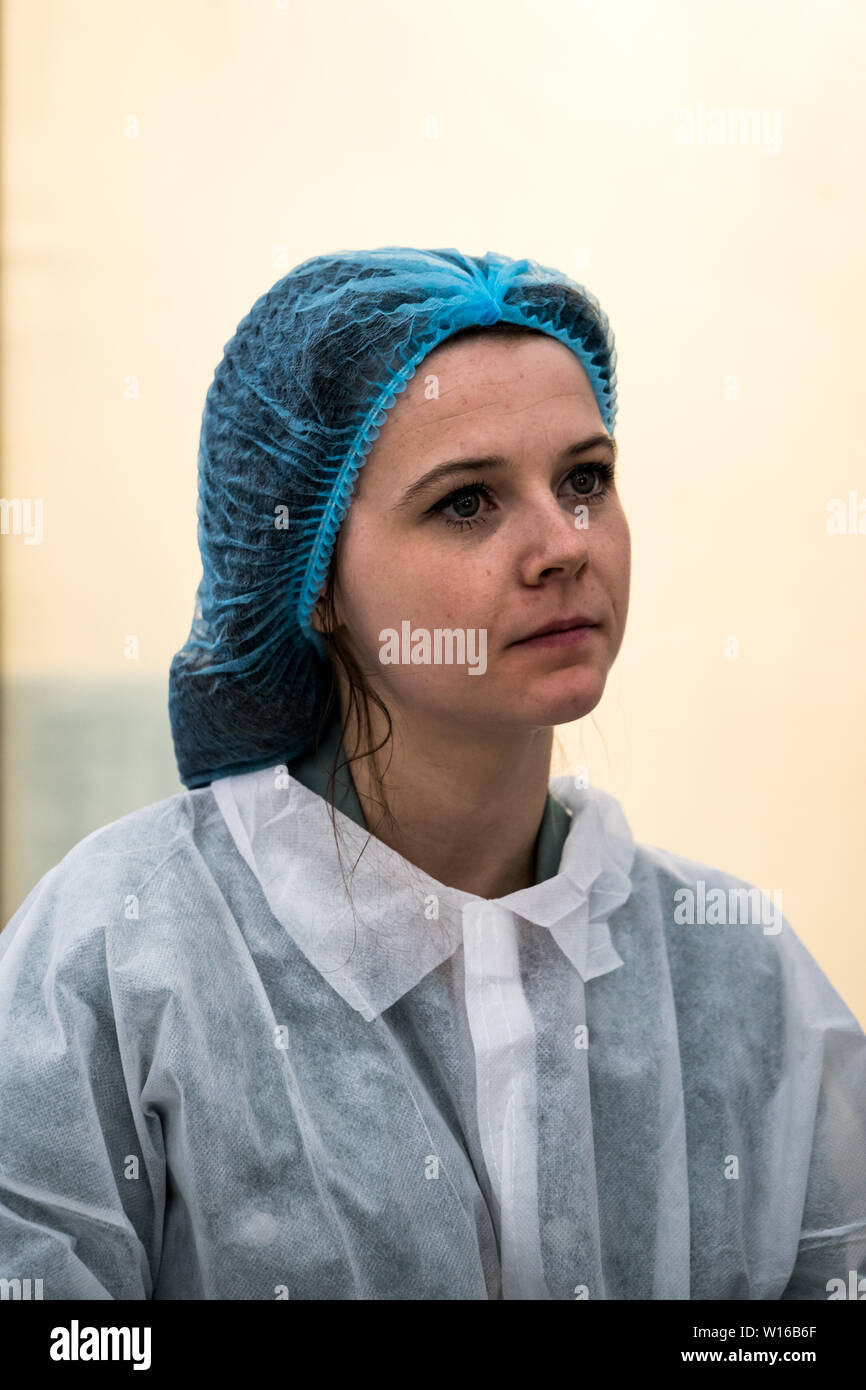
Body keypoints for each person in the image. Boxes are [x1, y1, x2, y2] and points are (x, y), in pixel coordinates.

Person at [1, 247, 864, 1301]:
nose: (561, 544)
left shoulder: (736, 974)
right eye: (466, 503)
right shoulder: (119, 954)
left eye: (584, 479)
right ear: (311, 581)